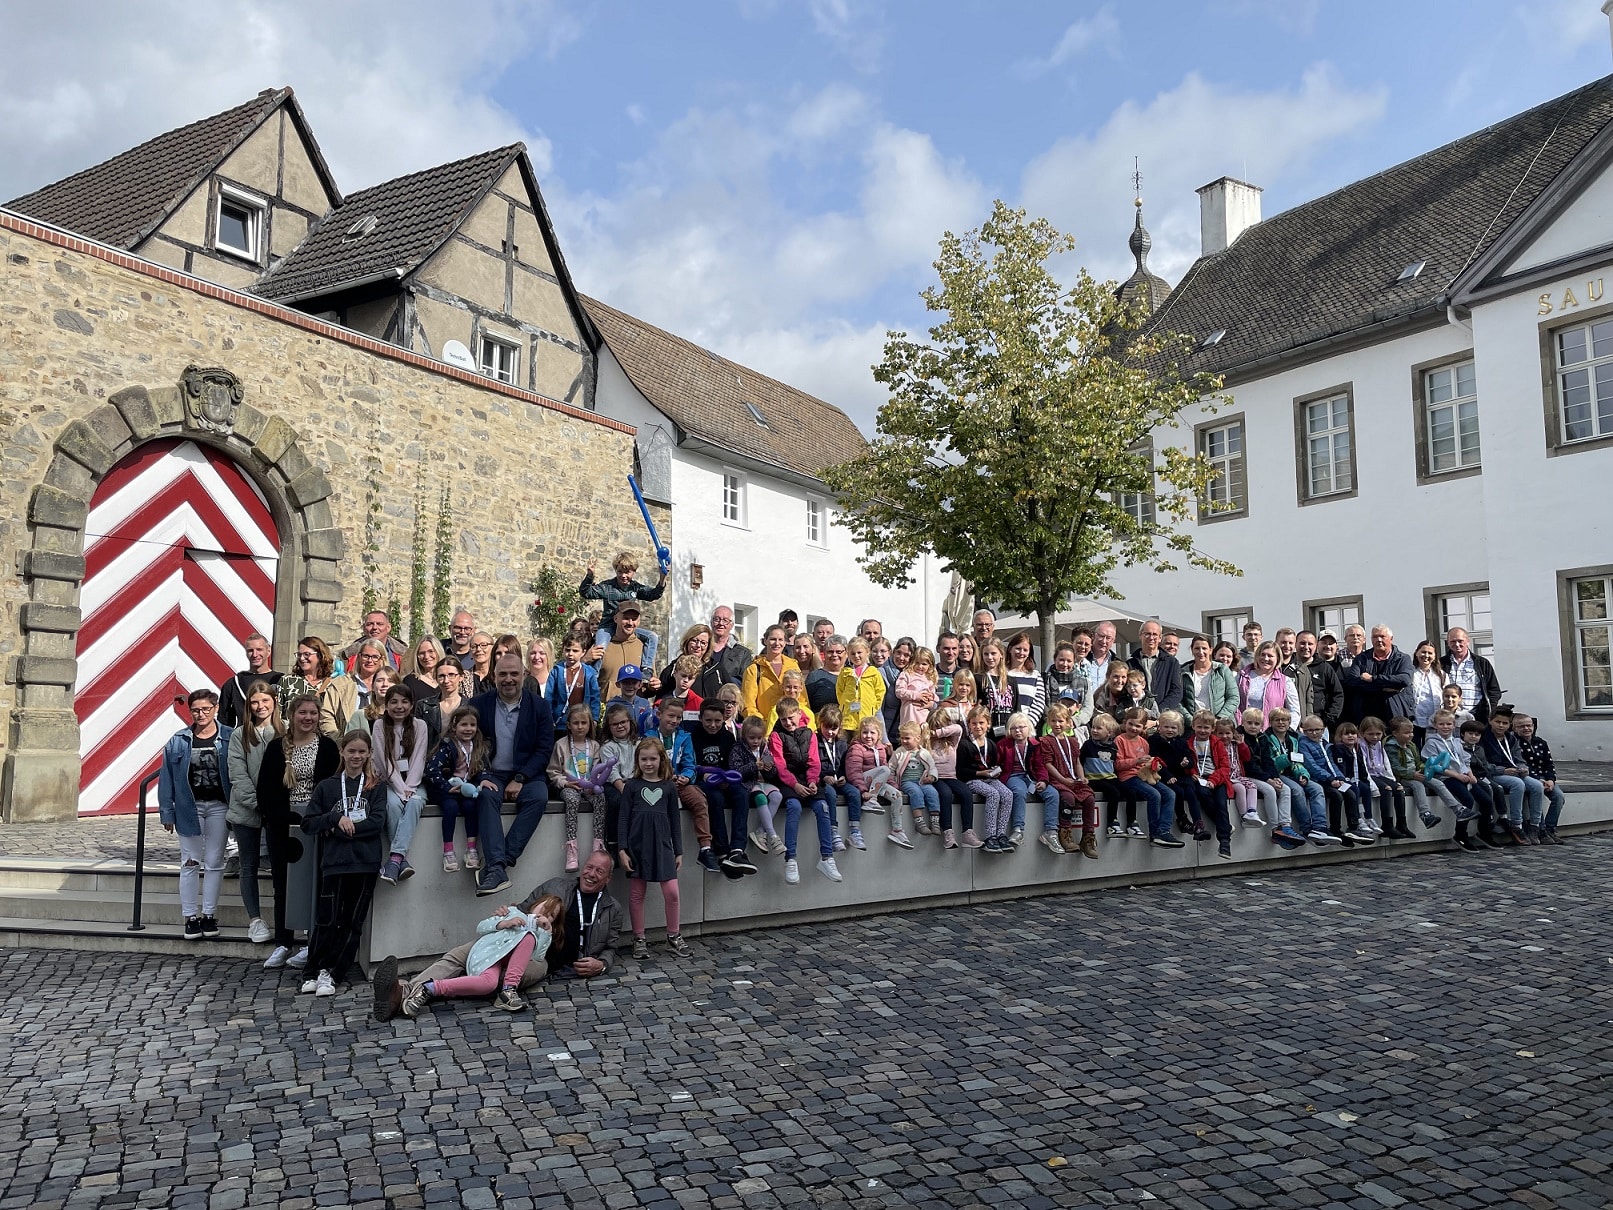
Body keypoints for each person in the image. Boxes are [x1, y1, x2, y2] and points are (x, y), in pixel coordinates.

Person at [374, 852, 628, 1022]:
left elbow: (611, 947)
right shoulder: (557, 885)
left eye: (599, 871)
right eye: (589, 867)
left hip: (541, 958)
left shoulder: (612, 908)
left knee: (495, 979)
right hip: (509, 938)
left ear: (608, 878)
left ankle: (423, 992)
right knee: (460, 956)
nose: (591, 874)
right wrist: (504, 914)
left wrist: (601, 964)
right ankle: (404, 990)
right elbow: (525, 905)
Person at [298, 730, 387, 997]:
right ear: (342, 752)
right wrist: (335, 819)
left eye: (362, 751)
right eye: (352, 751)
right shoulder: (326, 787)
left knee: (352, 922)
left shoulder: (375, 786)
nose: (356, 756)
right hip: (334, 863)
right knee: (326, 920)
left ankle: (333, 973)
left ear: (369, 753)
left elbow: (377, 823)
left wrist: (341, 829)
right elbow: (309, 823)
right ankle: (312, 970)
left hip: (364, 864)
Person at [255, 695, 340, 968]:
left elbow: (332, 787)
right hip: (284, 824)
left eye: (313, 713)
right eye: (302, 712)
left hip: (315, 822)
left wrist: (322, 819)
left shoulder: (327, 747)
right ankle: (283, 942)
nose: (308, 718)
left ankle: (310, 941)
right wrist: (279, 818)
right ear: (292, 715)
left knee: (314, 882)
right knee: (283, 884)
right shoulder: (276, 748)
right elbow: (266, 789)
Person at [469, 654, 556, 897]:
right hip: (491, 773)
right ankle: (497, 866)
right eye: (503, 674)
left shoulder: (539, 706)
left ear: (524, 675)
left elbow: (544, 749)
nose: (509, 679)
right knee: (486, 797)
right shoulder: (478, 704)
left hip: (527, 774)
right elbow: (469, 744)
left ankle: (499, 864)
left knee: (539, 797)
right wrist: (481, 774)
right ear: (494, 676)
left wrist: (520, 778)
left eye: (514, 674)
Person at [399, 895, 563, 1015]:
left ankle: (431, 988)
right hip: (487, 954)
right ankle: (404, 991)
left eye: (551, 915)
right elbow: (481, 927)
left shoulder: (541, 934)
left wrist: (547, 932)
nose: (545, 914)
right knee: (450, 961)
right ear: (536, 904)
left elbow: (537, 958)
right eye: (544, 907)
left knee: (489, 984)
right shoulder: (513, 912)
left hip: (502, 965)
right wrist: (504, 923)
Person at [160, 688, 233, 941]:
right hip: (189, 807)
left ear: (215, 709)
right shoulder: (179, 740)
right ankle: (190, 917)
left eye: (205, 709)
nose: (200, 714)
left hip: (219, 806)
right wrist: (166, 811)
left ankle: (209, 915)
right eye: (195, 710)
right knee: (190, 862)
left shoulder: (229, 737)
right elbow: (166, 778)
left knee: (214, 861)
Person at [616, 738, 693, 958]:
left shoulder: (668, 787)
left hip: (663, 847)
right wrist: (622, 849)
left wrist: (678, 851)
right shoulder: (631, 786)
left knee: (671, 893)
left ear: (661, 760)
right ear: (637, 760)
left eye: (653, 758)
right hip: (637, 847)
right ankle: (639, 939)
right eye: (644, 759)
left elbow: (674, 820)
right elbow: (623, 820)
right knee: (637, 893)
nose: (648, 763)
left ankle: (673, 936)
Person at [226, 680, 281, 944]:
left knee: (281, 866)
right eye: (255, 702)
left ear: (274, 702)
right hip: (247, 810)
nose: (260, 706)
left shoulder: (284, 732)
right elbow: (237, 774)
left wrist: (275, 804)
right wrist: (258, 802)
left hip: (278, 810)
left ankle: (285, 918)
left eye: (265, 701)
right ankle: (255, 920)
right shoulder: (240, 735)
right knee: (248, 865)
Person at [644, 695, 721, 873]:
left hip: (680, 784)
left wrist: (686, 776)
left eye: (679, 717)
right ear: (659, 714)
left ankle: (705, 848)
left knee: (700, 801)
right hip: (658, 783)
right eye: (671, 716)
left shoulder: (685, 737)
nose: (675, 721)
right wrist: (663, 776)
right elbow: (646, 763)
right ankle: (658, 848)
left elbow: (689, 764)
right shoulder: (649, 737)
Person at [770, 699, 839, 883]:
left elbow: (814, 762)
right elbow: (780, 766)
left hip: (807, 779)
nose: (788, 723)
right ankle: (790, 859)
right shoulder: (776, 735)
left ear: (799, 714)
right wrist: (795, 785)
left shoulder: (810, 734)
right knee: (794, 807)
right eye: (783, 719)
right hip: (788, 781)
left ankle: (827, 857)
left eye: (791, 718)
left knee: (822, 807)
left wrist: (812, 782)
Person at [691, 699, 757, 875]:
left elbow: (732, 762)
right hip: (704, 781)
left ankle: (737, 850)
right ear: (701, 718)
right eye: (708, 721)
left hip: (725, 778)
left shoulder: (727, 736)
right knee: (715, 798)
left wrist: (728, 777)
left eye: (717, 721)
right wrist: (702, 774)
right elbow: (689, 763)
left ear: (723, 720)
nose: (713, 725)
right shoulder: (693, 735)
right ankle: (721, 852)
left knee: (742, 794)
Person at [371, 684, 428, 884]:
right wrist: (400, 788)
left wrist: (410, 787)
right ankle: (400, 861)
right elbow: (383, 761)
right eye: (393, 702)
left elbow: (419, 759)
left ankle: (394, 859)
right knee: (393, 804)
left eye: (404, 701)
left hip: (414, 781)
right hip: (388, 781)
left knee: (415, 802)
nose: (399, 706)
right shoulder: (379, 726)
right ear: (386, 705)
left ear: (412, 705)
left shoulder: (420, 725)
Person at [424, 705, 489, 873]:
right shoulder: (447, 745)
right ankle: (448, 851)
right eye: (464, 725)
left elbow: (481, 769)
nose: (468, 729)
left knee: (471, 807)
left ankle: (471, 849)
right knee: (451, 808)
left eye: (472, 725)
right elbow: (432, 770)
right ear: (454, 726)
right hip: (446, 788)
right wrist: (446, 787)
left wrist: (484, 781)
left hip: (466, 788)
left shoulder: (478, 746)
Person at [581, 552, 666, 673]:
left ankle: (647, 669)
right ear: (615, 570)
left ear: (634, 572)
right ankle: (593, 677)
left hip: (627, 626)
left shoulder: (635, 588)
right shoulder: (607, 587)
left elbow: (653, 594)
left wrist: (662, 578)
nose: (623, 576)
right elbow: (586, 592)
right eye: (620, 571)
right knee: (600, 649)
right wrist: (589, 576)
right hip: (608, 626)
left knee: (652, 636)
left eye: (628, 572)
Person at [1297, 714, 1373, 844]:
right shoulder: (1303, 744)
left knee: (1350, 792)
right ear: (1303, 730)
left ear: (1323, 729)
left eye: (1318, 730)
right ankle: (1335, 829)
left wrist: (1340, 777)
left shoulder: (1325, 744)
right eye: (1310, 730)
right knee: (1336, 796)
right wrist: (1330, 779)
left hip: (1332, 778)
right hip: (1318, 779)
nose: (1314, 733)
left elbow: (1332, 763)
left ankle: (1353, 827)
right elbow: (1311, 766)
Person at [1115, 707, 1181, 848]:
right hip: (1128, 778)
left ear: (1144, 727)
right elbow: (1118, 765)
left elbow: (1147, 764)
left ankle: (1164, 831)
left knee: (1170, 793)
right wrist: (1136, 761)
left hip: (1144, 776)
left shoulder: (1144, 742)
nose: (1133, 728)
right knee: (1154, 795)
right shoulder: (1119, 740)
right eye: (1130, 724)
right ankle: (1155, 834)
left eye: (1138, 725)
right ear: (1125, 723)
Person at [1477, 706, 1545, 844]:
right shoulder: (1483, 738)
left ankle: (1534, 826)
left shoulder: (1511, 738)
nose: (1501, 726)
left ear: (1510, 725)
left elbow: (1519, 758)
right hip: (1494, 773)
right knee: (1517, 784)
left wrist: (1522, 768)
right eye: (1498, 722)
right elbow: (1482, 763)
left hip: (1514, 772)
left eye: (1505, 723)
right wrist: (1502, 770)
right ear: (1490, 721)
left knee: (1537, 786)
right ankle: (1516, 824)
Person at [1040, 702, 1096, 856]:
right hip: (1058, 779)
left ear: (1068, 722)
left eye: (1061, 721)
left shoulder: (1072, 741)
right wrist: (1063, 780)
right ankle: (1065, 833)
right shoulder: (1045, 740)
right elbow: (1048, 764)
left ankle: (1088, 836)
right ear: (1048, 722)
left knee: (1090, 798)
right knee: (1068, 798)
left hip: (1073, 779)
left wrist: (1082, 777)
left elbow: (1077, 761)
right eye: (1053, 721)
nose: (1057, 724)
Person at [732, 715, 786, 856]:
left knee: (777, 796)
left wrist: (769, 768)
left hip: (764, 783)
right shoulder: (738, 749)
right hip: (748, 784)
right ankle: (773, 836)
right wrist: (753, 766)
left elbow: (773, 771)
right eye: (752, 738)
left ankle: (760, 831)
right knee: (761, 798)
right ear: (744, 736)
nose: (756, 741)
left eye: (759, 738)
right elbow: (735, 771)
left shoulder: (764, 748)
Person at [1511, 713, 1567, 844]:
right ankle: (1540, 830)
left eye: (1529, 725)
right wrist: (1538, 780)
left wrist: (1551, 780)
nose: (1526, 728)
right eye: (1522, 726)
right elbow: (1520, 765)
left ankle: (1550, 828)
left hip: (1545, 778)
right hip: (1527, 777)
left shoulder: (1541, 743)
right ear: (1514, 728)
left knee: (1559, 797)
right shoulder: (1515, 743)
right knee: (1536, 792)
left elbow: (1549, 763)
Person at [1342, 626, 1414, 725]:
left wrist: (1372, 678)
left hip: (1395, 714)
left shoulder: (1403, 659)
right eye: (1375, 637)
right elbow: (1352, 682)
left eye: (1382, 636)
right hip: (1367, 715)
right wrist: (1383, 688)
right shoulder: (1362, 659)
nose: (1379, 640)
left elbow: (1404, 680)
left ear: (1391, 638)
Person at [815, 703, 863, 852]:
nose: (830, 732)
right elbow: (813, 764)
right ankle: (833, 831)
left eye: (834, 728)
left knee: (854, 793)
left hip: (838, 780)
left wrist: (843, 777)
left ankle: (855, 831)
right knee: (830, 793)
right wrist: (823, 777)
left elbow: (843, 765)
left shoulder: (842, 743)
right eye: (826, 727)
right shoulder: (814, 741)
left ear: (840, 727)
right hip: (822, 781)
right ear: (820, 723)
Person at [925, 704, 973, 849]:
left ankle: (967, 832)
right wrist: (926, 732)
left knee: (966, 793)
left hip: (951, 777)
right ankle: (947, 832)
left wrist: (936, 733)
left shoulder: (952, 741)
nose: (937, 731)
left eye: (940, 727)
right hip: (935, 778)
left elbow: (958, 729)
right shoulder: (926, 742)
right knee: (945, 794)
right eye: (934, 727)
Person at [1359, 716, 1412, 839]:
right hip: (1368, 775)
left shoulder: (1379, 745)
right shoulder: (1361, 745)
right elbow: (1363, 767)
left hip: (1380, 774)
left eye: (1378, 734)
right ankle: (1387, 824)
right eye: (1371, 734)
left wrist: (1392, 779)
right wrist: (1372, 784)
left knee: (1399, 789)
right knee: (1386, 789)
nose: (1375, 737)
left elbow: (1385, 763)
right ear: (1363, 733)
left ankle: (1401, 823)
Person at [742, 625, 799, 731]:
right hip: (764, 728)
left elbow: (802, 699)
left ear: (785, 642)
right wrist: (762, 725)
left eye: (780, 639)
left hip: (791, 727)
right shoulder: (754, 669)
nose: (777, 643)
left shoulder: (793, 666)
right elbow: (748, 705)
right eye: (773, 639)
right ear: (765, 641)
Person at [219, 633, 282, 729]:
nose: (255, 654)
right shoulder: (233, 683)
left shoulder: (281, 680)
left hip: (275, 738)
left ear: (268, 651)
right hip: (244, 739)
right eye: (250, 651)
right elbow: (224, 720)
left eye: (259, 649)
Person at [1442, 628, 1503, 724]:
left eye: (1460, 641)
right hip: (1448, 718)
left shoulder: (1481, 663)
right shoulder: (1441, 663)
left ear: (1467, 641)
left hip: (1477, 717)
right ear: (1448, 643)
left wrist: (1488, 711)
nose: (1457, 644)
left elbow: (1494, 690)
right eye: (1453, 641)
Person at [1237, 642, 1300, 727]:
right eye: (1262, 655)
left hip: (1271, 734)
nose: (1266, 659)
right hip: (1243, 732)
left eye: (1270, 656)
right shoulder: (1242, 677)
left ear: (1277, 658)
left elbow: (1294, 710)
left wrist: (1288, 731)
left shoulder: (1285, 681)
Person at [835, 637, 886, 741]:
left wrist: (873, 707)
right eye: (853, 653)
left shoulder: (873, 672)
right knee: (846, 744)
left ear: (867, 652)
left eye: (859, 652)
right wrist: (844, 705)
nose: (856, 656)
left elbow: (880, 692)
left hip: (866, 716)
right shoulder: (845, 672)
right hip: (848, 718)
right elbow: (839, 691)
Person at [414, 656, 471, 749]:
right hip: (431, 759)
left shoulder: (471, 705)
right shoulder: (424, 706)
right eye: (441, 676)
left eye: (451, 675)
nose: (446, 681)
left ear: (461, 677)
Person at [1128, 621, 1183, 715]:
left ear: (1160, 638)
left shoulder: (1171, 663)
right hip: (1137, 717)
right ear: (1140, 635)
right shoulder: (1130, 663)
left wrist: (1157, 712)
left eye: (1155, 634)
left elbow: (1176, 692)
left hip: (1163, 717)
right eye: (1147, 634)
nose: (1151, 637)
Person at [697, 606, 753, 697]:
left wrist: (719, 682)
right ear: (711, 622)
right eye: (717, 619)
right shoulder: (700, 648)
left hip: (728, 702)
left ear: (731, 625)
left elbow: (745, 681)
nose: (720, 623)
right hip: (700, 700)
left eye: (725, 620)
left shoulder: (742, 653)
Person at [1295, 631, 1344, 731]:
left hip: (1319, 725)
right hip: (1292, 724)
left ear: (1316, 646)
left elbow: (1337, 694)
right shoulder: (1288, 667)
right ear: (1296, 644)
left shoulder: (1324, 667)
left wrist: (1328, 720)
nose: (1306, 647)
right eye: (1302, 643)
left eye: (1310, 644)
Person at [1182, 634, 1239, 719]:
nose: (1201, 652)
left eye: (1204, 648)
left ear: (1210, 650)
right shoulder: (1183, 672)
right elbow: (1179, 701)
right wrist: (1191, 720)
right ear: (1192, 650)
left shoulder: (1222, 670)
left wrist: (1220, 718)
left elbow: (1234, 698)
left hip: (1221, 726)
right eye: (1197, 648)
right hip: (1193, 726)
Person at [546, 636, 601, 723]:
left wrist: (594, 719)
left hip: (582, 721)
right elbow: (548, 697)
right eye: (567, 650)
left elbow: (595, 697)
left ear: (583, 652)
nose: (570, 654)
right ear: (563, 650)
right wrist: (549, 718)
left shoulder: (589, 673)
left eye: (575, 651)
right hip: (560, 721)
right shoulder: (556, 671)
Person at [1003, 634, 1048, 730]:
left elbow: (1039, 704)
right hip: (1004, 727)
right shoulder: (1001, 673)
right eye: (1018, 648)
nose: (1021, 652)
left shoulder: (1035, 675)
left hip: (1026, 728)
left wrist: (1027, 726)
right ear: (1010, 649)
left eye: (1025, 650)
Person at [342, 610, 408, 671]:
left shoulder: (404, 654)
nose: (374, 627)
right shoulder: (349, 655)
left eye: (379, 624)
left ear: (388, 628)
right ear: (364, 629)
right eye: (370, 624)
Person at [896, 646, 941, 729]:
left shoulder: (929, 678)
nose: (920, 666)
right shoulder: (907, 674)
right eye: (917, 663)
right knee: (909, 736)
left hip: (923, 715)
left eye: (924, 664)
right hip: (909, 715)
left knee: (923, 736)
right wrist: (917, 696)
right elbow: (899, 691)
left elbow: (935, 698)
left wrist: (932, 697)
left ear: (930, 665)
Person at [808, 634, 846, 714]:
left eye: (839, 652)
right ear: (824, 653)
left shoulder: (853, 676)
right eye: (830, 652)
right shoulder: (815, 677)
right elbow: (806, 705)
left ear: (846, 653)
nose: (834, 655)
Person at [404, 636, 446, 704]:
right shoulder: (410, 681)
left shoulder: (449, 679)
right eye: (422, 653)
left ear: (438, 652)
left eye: (431, 651)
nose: (426, 656)